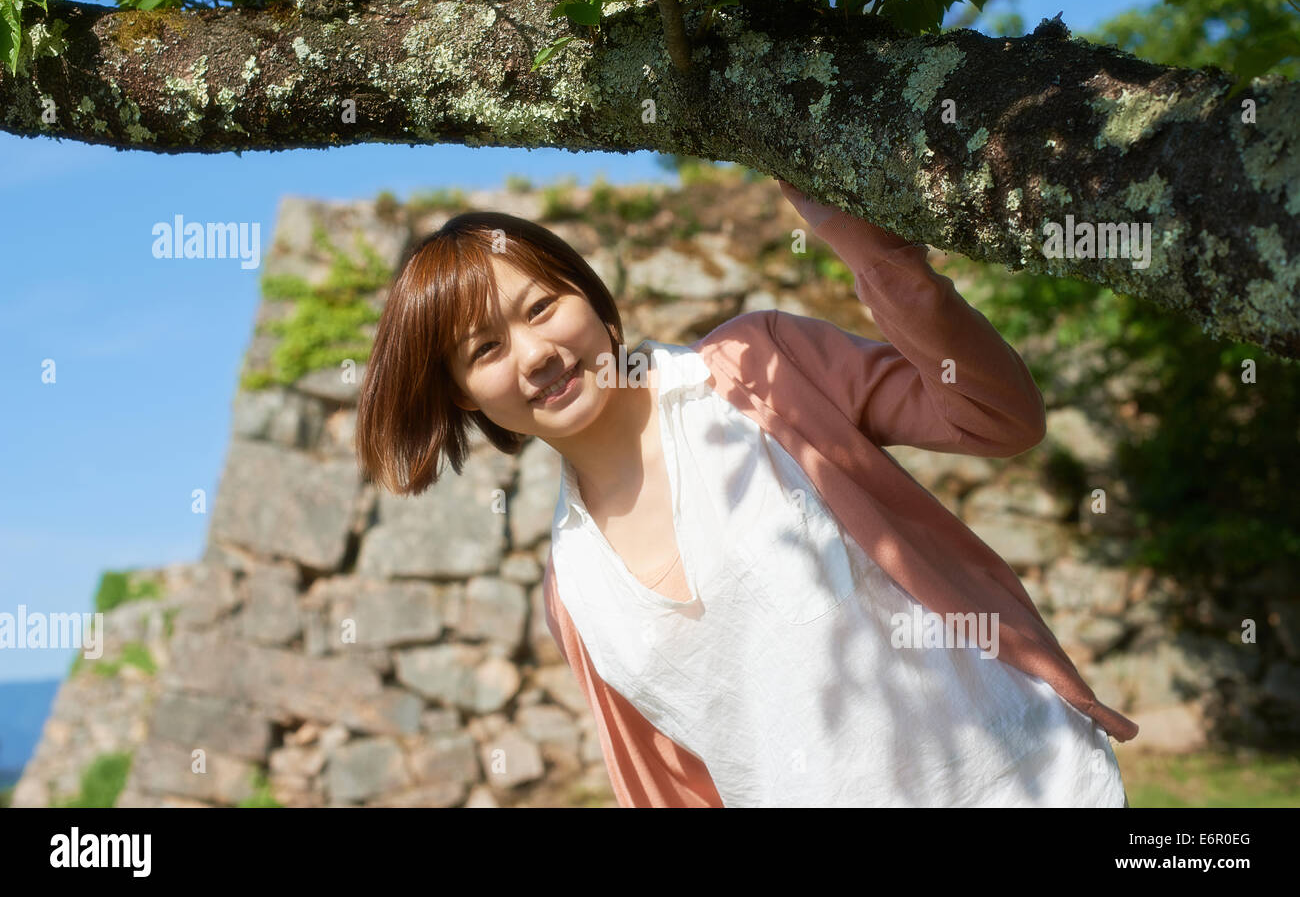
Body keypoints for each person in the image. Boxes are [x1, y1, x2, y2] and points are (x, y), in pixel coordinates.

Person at [354, 178, 1138, 807]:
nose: (534, 353)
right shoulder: (576, 590)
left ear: (590, 298)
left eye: (542, 306)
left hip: (1023, 782)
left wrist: (864, 237)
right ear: (461, 394)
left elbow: (997, 417)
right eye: (485, 349)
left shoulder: (757, 370)